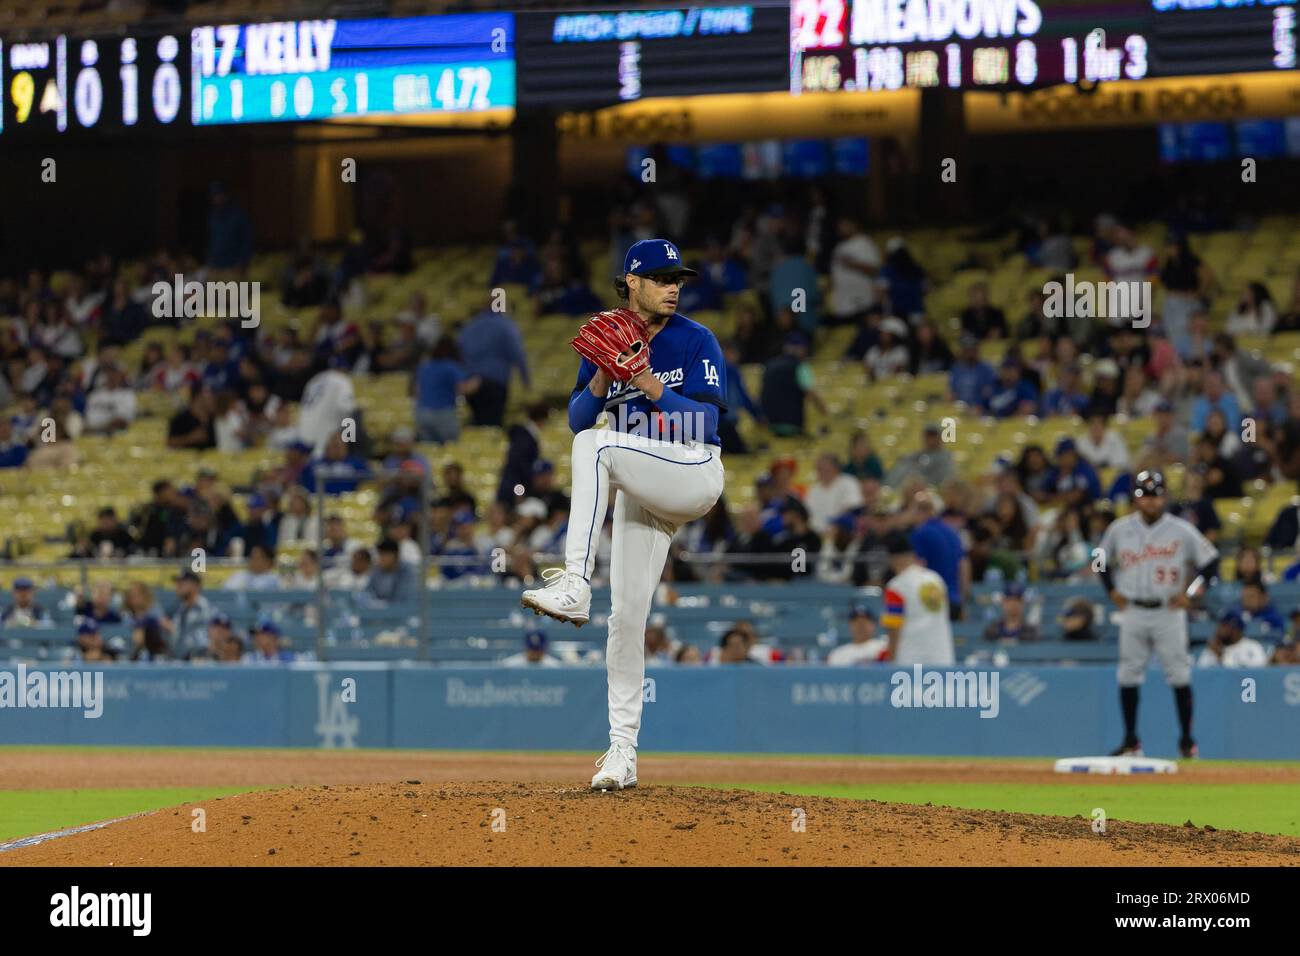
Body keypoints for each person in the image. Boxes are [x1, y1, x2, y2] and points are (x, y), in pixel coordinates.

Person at [520, 239, 726, 793]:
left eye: (677, 277)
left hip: (693, 470)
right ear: (631, 282)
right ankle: (622, 753)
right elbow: (575, 416)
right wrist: (600, 375)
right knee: (627, 617)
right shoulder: (608, 337)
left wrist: (645, 382)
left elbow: (707, 426)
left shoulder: (695, 339)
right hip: (642, 478)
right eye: (660, 278)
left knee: (597, 446)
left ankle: (575, 584)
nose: (673, 286)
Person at [1097, 470, 1218, 759]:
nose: (1150, 502)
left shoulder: (1181, 529)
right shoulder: (1119, 528)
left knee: (1178, 674)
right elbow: (1099, 558)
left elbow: (1211, 562)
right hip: (1133, 609)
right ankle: (1130, 742)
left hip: (1168, 611)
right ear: (1136, 499)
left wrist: (1191, 594)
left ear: (1163, 497)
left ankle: (1187, 742)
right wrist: (1110, 589)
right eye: (1144, 496)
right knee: (1128, 674)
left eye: (1154, 495)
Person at [881, 530, 954, 665]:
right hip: (942, 657)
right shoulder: (936, 580)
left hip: (910, 660)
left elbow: (893, 625)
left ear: (891, 558)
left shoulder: (896, 587)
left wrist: (891, 658)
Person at [458, 302, 530, 427]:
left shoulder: (469, 326)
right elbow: (518, 353)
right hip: (495, 382)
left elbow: (459, 354)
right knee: (493, 425)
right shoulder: (506, 325)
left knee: (478, 422)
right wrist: (526, 381)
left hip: (471, 383)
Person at [413, 336, 476, 444]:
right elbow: (464, 389)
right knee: (450, 448)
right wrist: (477, 381)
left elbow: (417, 391)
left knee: (430, 450)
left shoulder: (424, 367)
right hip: (443, 413)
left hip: (422, 412)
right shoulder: (450, 366)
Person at [805, 453, 864, 535]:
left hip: (842, 535)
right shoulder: (813, 490)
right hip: (816, 535)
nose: (822, 471)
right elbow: (807, 514)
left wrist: (835, 525)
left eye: (825, 467)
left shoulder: (848, 482)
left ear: (836, 467)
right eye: (819, 468)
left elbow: (853, 508)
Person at [885, 423, 955, 489]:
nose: (931, 440)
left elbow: (943, 481)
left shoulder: (945, 458)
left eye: (934, 436)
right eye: (928, 436)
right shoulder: (916, 455)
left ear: (940, 438)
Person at [1197, 610, 1268, 668]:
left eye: (1225, 625)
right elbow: (1201, 675)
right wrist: (1217, 655)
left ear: (1237, 629)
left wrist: (1221, 656)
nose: (1220, 629)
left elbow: (1258, 673)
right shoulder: (1213, 648)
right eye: (1220, 625)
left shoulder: (1253, 646)